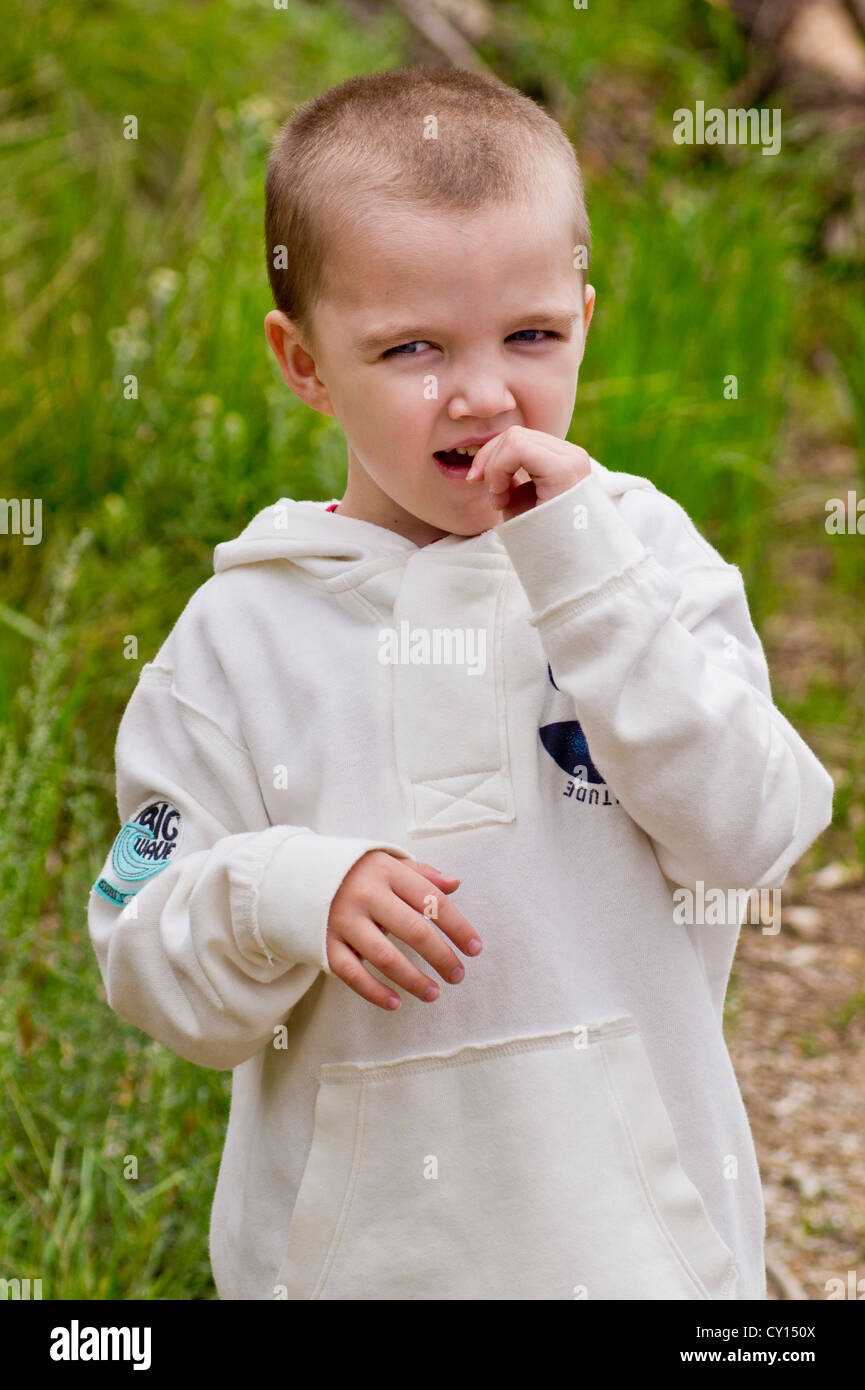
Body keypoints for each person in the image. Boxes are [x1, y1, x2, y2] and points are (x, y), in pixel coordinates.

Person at [88, 65, 833, 1301]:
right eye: (411, 347)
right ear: (303, 361)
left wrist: (584, 577)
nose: (483, 393)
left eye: (531, 335)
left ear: (585, 317)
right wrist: (288, 887)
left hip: (645, 1264)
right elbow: (145, 950)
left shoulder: (644, 560)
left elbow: (753, 834)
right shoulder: (236, 638)